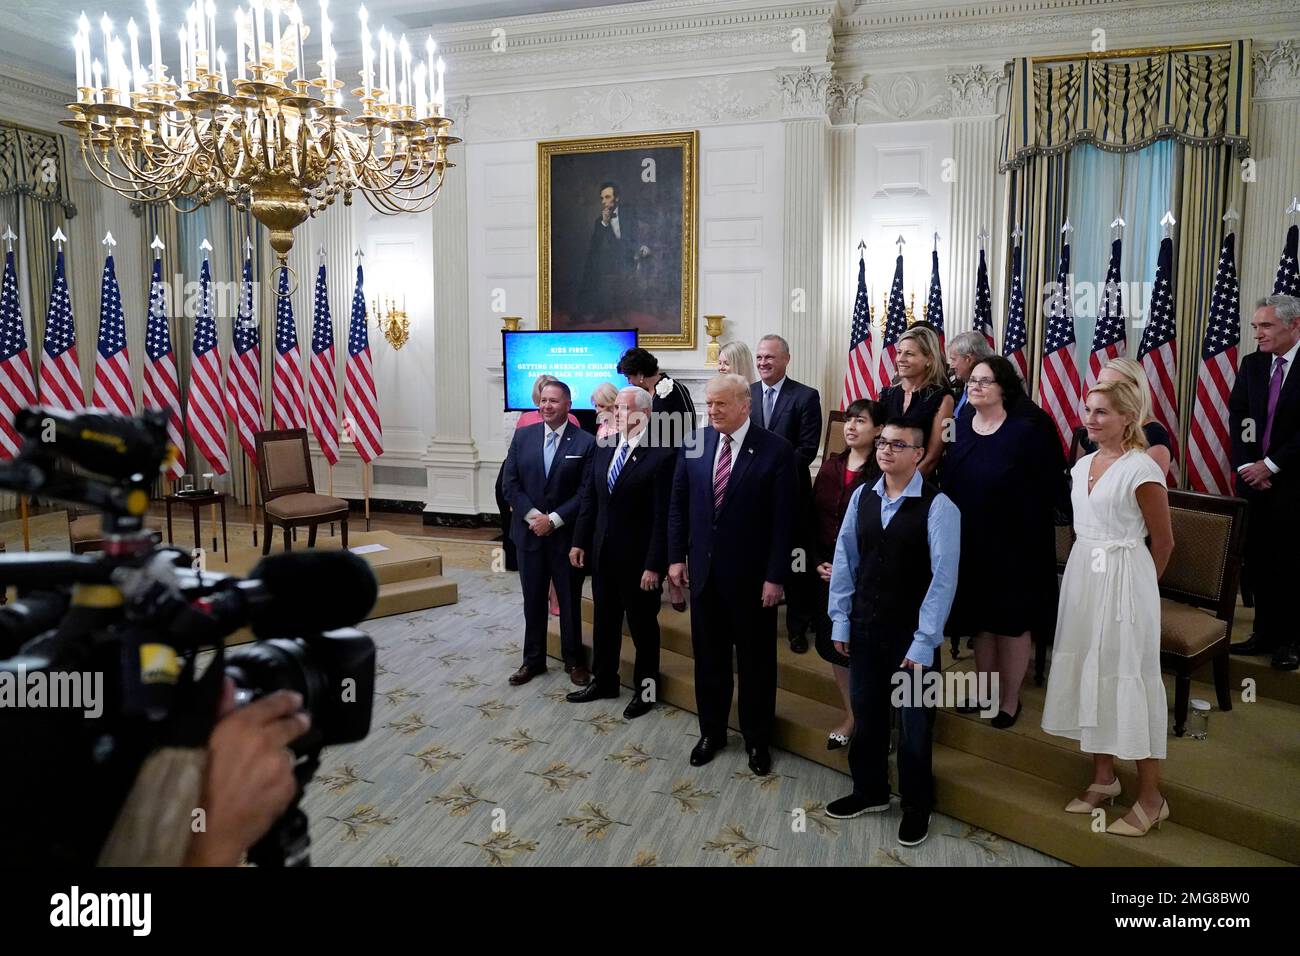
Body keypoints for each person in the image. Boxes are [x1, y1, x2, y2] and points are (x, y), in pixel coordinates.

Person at [1042, 380, 1174, 836]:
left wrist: (1137, 591)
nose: (1090, 420)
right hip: (1085, 577)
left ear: (1127, 418)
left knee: (1129, 679)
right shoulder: (1080, 467)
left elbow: (1163, 542)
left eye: (1101, 412)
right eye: (1088, 410)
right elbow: (1084, 530)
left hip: (1126, 582)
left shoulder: (1142, 469)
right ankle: (1104, 777)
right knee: (1089, 674)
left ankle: (1152, 798)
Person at [824, 419, 960, 847]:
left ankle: (917, 805)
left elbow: (943, 580)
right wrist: (840, 618)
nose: (885, 450)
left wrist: (924, 642)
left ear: (919, 454)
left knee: (915, 727)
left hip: (911, 637)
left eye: (897, 445)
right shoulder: (863, 495)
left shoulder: (940, 507)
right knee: (867, 714)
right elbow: (845, 558)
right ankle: (871, 791)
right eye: (882, 442)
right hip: (865, 627)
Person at [668, 373, 796, 775]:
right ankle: (712, 733)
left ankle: (757, 740)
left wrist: (776, 577)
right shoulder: (695, 442)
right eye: (710, 403)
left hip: (754, 582)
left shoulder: (777, 451)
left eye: (721, 403)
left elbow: (784, 523)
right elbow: (678, 506)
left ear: (745, 405)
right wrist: (675, 558)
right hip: (704, 577)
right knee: (709, 660)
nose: (713, 410)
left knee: (757, 664)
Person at [943, 356, 1065, 726]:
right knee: (982, 622)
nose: (974, 387)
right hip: (972, 541)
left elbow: (1052, 488)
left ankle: (1010, 700)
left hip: (1018, 544)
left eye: (984, 381)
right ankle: (983, 692)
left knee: (1011, 624)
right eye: (972, 381)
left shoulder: (1027, 429)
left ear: (1003, 388)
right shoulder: (961, 425)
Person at [568, 386, 676, 718]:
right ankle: (604, 681)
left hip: (640, 562)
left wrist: (654, 565)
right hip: (603, 555)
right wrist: (579, 541)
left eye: (623, 408)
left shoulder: (663, 453)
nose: (615, 413)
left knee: (643, 629)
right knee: (605, 622)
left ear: (644, 414)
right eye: (615, 408)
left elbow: (663, 516)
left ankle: (646, 691)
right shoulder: (605, 445)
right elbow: (590, 498)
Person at [500, 379, 597, 687]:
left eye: (554, 401)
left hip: (565, 537)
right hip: (529, 535)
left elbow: (586, 492)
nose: (547, 406)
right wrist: (533, 517)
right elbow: (509, 484)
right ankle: (533, 661)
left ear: (568, 405)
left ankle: (574, 661)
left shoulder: (585, 442)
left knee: (569, 601)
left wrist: (553, 520)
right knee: (533, 601)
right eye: (543, 400)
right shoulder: (522, 436)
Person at [1229, 294, 1300, 670]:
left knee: (1290, 562)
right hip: (1253, 481)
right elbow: (1239, 415)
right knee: (1258, 558)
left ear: (1294, 325)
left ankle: (1290, 640)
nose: (1257, 333)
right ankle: (1263, 633)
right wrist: (1246, 465)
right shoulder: (1253, 365)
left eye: (1266, 326)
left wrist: (1270, 465)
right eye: (1255, 326)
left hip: (1291, 483)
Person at [811, 398, 883, 749]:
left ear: (880, 429)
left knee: (866, 650)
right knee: (836, 648)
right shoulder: (830, 467)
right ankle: (853, 714)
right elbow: (813, 519)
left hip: (868, 576)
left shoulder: (883, 472)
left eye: (862, 421)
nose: (852, 426)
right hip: (828, 570)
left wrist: (849, 569)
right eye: (850, 420)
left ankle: (875, 721)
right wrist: (816, 561)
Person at [750, 333, 823, 653]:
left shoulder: (805, 396)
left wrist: (769, 472)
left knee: (796, 563)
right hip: (751, 495)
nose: (764, 362)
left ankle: (797, 627)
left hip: (791, 493)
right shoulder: (746, 394)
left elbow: (807, 448)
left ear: (786, 360)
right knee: (758, 557)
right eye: (760, 357)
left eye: (770, 357)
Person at [618, 345, 696, 614]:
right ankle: (656, 576)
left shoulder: (673, 388)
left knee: (668, 522)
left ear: (640, 375)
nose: (627, 382)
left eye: (628, 377)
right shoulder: (640, 394)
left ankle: (674, 583)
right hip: (644, 466)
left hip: (672, 465)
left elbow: (689, 430)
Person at [1071, 357, 1173, 477]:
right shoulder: (1094, 430)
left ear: (1136, 390)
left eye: (1113, 387)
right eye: (1100, 384)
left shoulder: (1154, 435)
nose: (1102, 391)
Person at [878, 325, 954, 480]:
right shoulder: (887, 394)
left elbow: (933, 457)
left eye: (909, 354)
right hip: (883, 480)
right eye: (899, 352)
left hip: (921, 483)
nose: (900, 359)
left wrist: (903, 487)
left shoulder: (944, 398)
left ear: (929, 360)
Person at [579, 181, 649, 323]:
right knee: (594, 264)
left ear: (616, 198)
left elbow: (639, 232)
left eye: (607, 197)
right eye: (602, 198)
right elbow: (595, 246)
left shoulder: (629, 212)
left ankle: (624, 310)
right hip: (609, 261)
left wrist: (643, 246)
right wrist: (604, 223)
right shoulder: (600, 221)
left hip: (629, 256)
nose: (604, 201)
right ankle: (602, 310)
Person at [946, 329, 995, 419]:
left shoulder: (986, 391)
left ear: (968, 359)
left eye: (953, 359)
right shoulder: (965, 385)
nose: (951, 366)